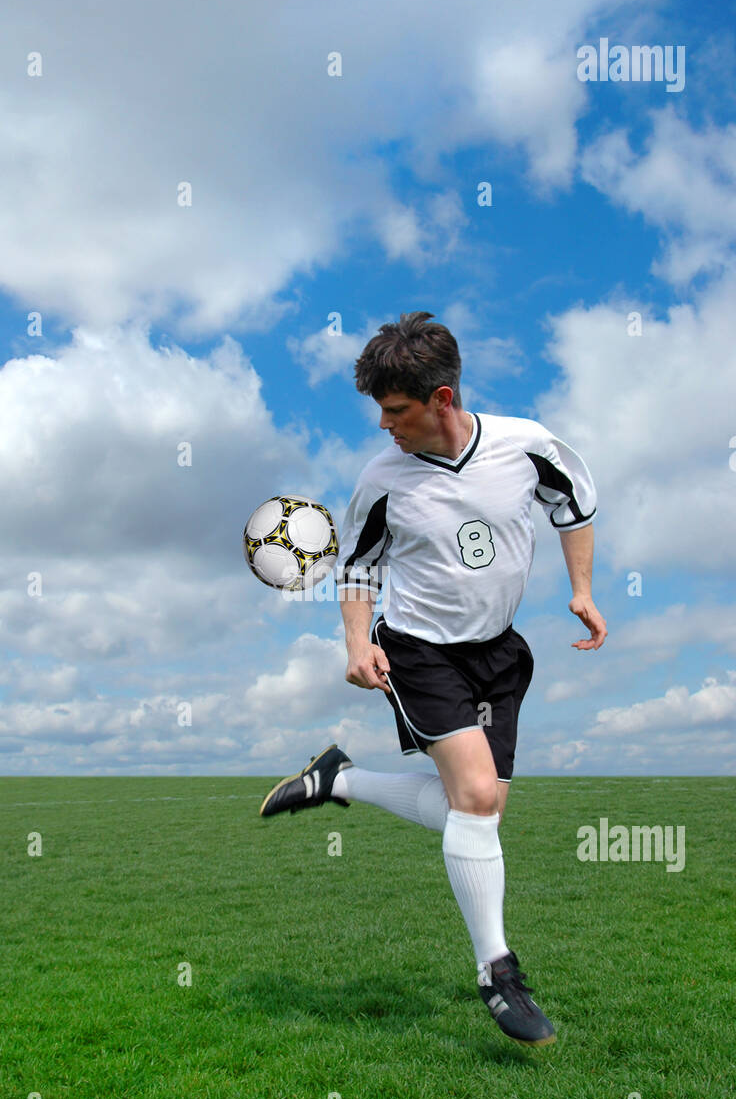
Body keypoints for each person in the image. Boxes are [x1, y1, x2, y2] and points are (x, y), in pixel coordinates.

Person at [260, 312, 607, 1047]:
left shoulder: (526, 445)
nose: (385, 427)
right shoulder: (382, 478)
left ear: (441, 398)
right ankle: (498, 974)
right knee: (476, 799)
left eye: (396, 412)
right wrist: (358, 642)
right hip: (419, 649)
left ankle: (340, 781)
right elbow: (357, 565)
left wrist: (582, 588)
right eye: (379, 413)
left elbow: (574, 505)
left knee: (477, 813)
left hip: (498, 653)